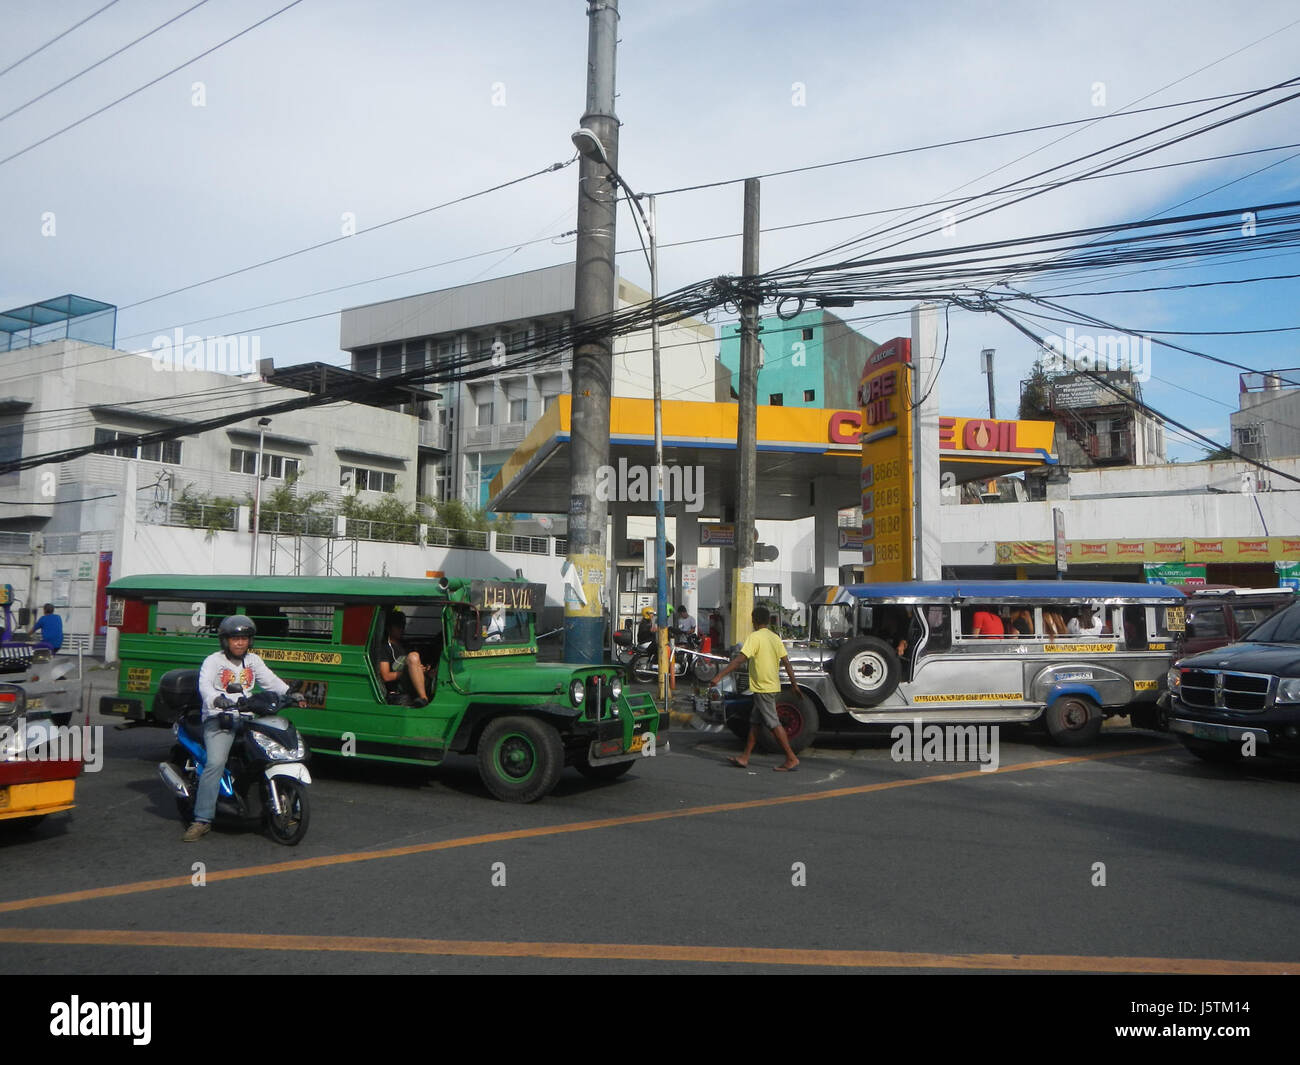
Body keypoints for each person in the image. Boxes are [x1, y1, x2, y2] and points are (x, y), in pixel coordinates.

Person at [186, 614, 302, 842]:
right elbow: (205, 687)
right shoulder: (213, 661)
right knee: (215, 763)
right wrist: (217, 699)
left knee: (271, 753)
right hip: (220, 718)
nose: (240, 643)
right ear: (225, 641)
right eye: (235, 638)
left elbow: (271, 681)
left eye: (244, 638)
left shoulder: (253, 661)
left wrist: (290, 693)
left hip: (247, 717)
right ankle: (202, 819)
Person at [709, 606, 804, 771]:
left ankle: (791, 757)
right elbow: (786, 662)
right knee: (755, 722)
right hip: (772, 685)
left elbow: (740, 660)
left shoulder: (755, 637)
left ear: (754, 620)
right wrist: (794, 685)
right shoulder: (775, 638)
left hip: (763, 687)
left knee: (773, 723)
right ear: (768, 620)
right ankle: (744, 757)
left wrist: (719, 676)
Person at [375, 610, 432, 705]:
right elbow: (386, 676)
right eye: (398, 626)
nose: (402, 629)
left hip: (415, 681)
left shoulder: (404, 645)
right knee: (413, 656)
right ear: (389, 628)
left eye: (403, 625)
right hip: (400, 685)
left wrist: (420, 669)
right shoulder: (384, 648)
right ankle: (423, 698)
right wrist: (410, 671)